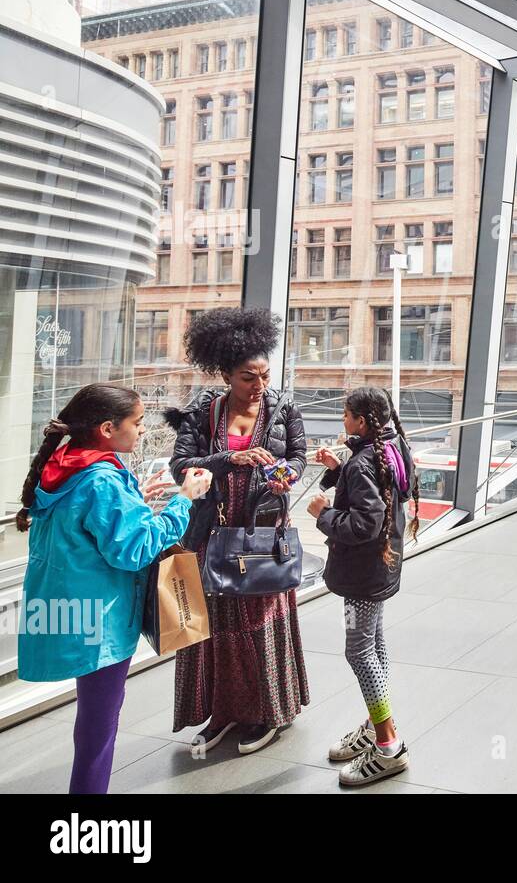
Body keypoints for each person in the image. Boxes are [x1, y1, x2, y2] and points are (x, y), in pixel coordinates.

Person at [16, 384, 212, 793]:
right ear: (107, 428)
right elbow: (135, 550)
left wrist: (134, 498)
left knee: (92, 723)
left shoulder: (65, 464)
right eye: (137, 423)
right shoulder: (103, 480)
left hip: (70, 608)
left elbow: (83, 522)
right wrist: (184, 499)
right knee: (98, 730)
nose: (142, 431)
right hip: (101, 617)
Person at [165, 307, 310, 756]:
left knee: (258, 627)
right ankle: (223, 711)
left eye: (265, 375)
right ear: (225, 373)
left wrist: (284, 475)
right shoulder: (201, 414)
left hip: (263, 540)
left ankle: (266, 712)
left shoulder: (283, 409)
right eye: (249, 377)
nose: (260, 387)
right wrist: (230, 459)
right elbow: (179, 468)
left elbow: (300, 457)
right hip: (211, 538)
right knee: (213, 630)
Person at [307, 387, 418, 787]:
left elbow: (363, 524)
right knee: (375, 644)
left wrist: (324, 514)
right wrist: (339, 464)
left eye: (346, 415)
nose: (342, 421)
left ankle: (389, 745)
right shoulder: (392, 445)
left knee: (358, 651)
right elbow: (383, 494)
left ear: (362, 421)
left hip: (361, 574)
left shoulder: (364, 462)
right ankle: (375, 726)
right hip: (384, 567)